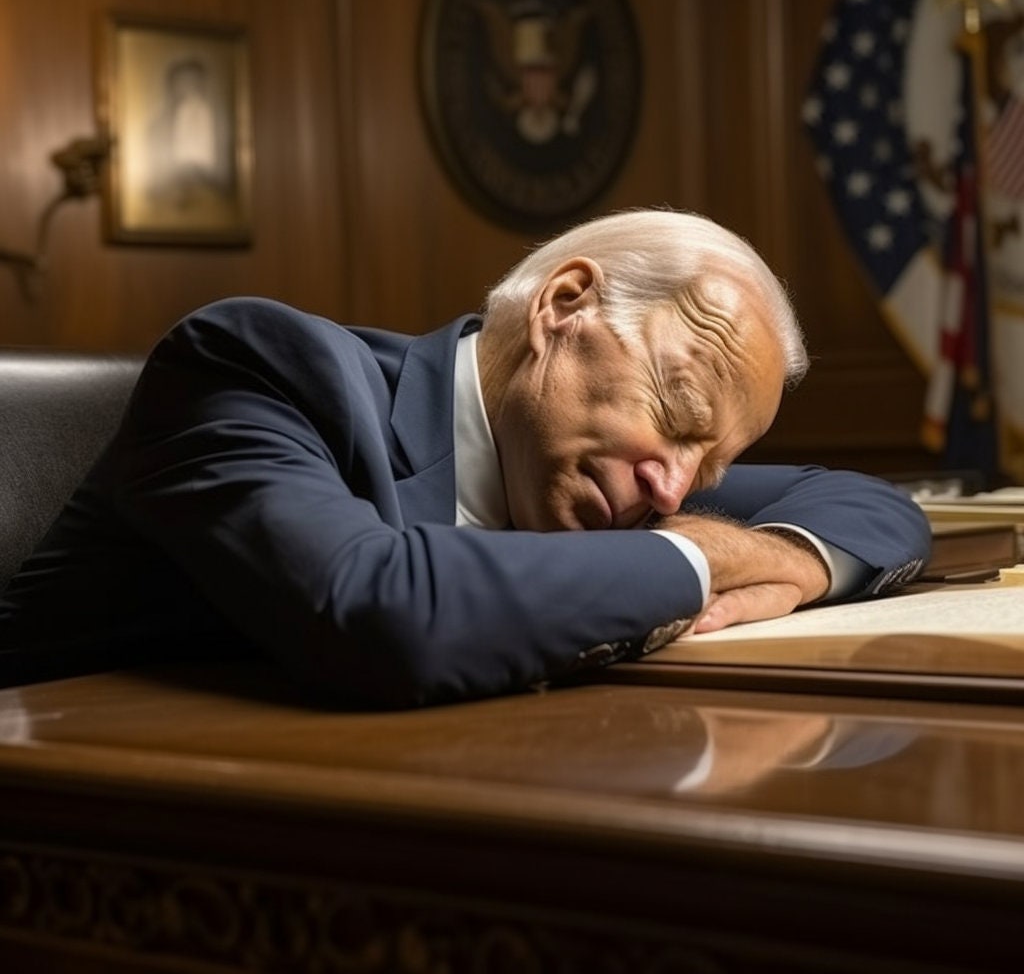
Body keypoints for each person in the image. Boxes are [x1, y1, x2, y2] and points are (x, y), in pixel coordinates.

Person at [0, 210, 930, 707]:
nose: (675, 487)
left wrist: (793, 561)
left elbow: (871, 505)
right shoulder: (255, 367)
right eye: (677, 412)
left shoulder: (631, 476)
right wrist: (705, 556)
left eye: (711, 469)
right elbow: (378, 611)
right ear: (565, 305)